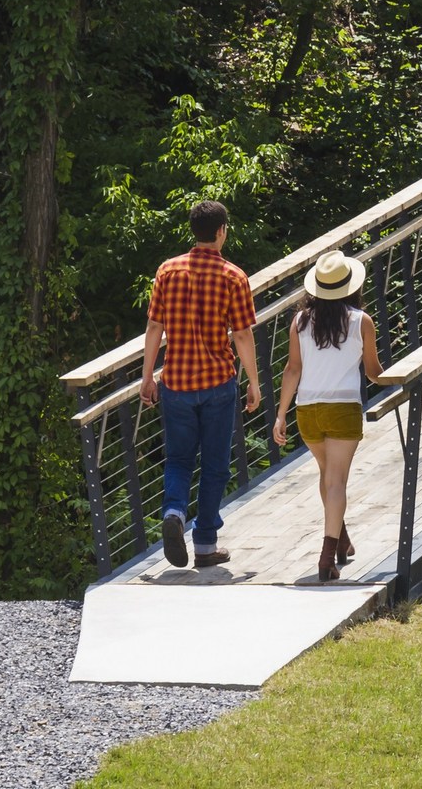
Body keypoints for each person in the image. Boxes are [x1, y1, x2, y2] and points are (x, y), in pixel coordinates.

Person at [139, 201, 262, 569]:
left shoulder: (167, 271)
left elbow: (154, 327)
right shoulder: (233, 276)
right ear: (221, 231)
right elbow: (242, 334)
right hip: (217, 384)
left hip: (175, 383)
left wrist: (147, 377)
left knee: (178, 460)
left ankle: (174, 512)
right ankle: (205, 544)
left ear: (193, 231)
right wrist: (254, 382)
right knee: (215, 466)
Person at [271, 250, 382, 582]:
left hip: (307, 410)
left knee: (327, 476)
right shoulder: (361, 321)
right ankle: (326, 558)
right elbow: (373, 372)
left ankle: (341, 539)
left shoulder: (301, 322)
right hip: (343, 409)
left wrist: (280, 415)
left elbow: (292, 369)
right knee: (336, 481)